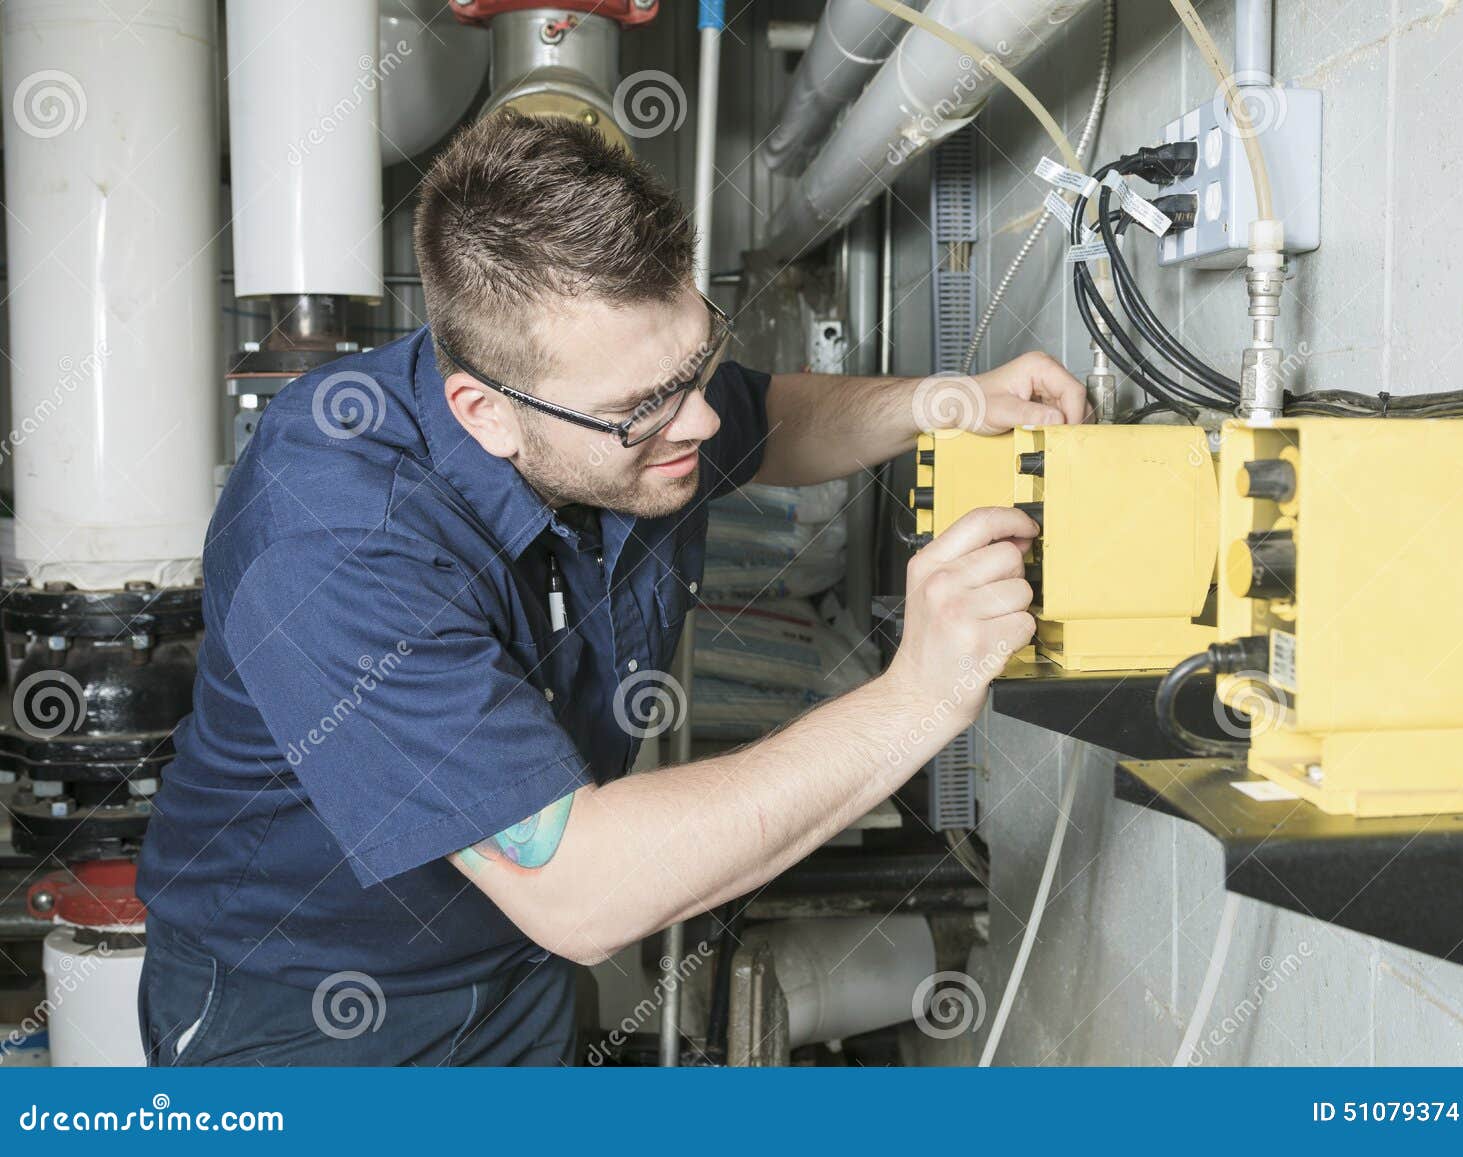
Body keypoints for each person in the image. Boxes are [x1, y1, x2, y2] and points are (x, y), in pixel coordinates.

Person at [135, 111, 1087, 1066]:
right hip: (302, 1012)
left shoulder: (615, 407)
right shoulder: (335, 540)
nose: (701, 420)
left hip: (514, 972)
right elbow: (578, 890)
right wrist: (917, 697)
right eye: (644, 409)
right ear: (487, 414)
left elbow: (768, 418)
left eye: (696, 363)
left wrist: (941, 403)